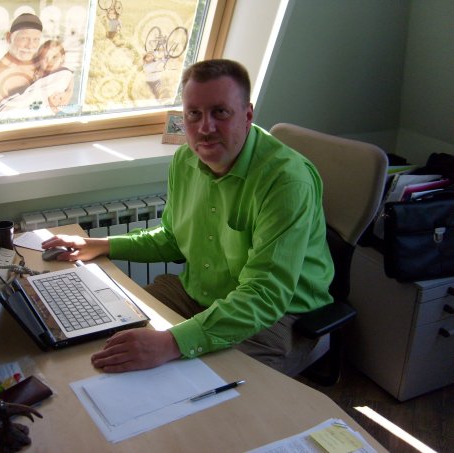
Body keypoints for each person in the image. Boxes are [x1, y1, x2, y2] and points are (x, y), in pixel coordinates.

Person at [42, 59, 334, 376]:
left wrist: (171, 343)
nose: (205, 128)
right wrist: (102, 245)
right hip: (199, 294)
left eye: (220, 112)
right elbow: (173, 238)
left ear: (247, 115)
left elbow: (265, 294)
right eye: (194, 114)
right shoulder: (185, 159)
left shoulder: (285, 181)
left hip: (278, 316)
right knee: (108, 332)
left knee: (194, 385)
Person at [0, 13, 43, 112]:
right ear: (8, 37)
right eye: (24, 38)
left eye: (36, 39)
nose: (30, 45)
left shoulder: (41, 64)